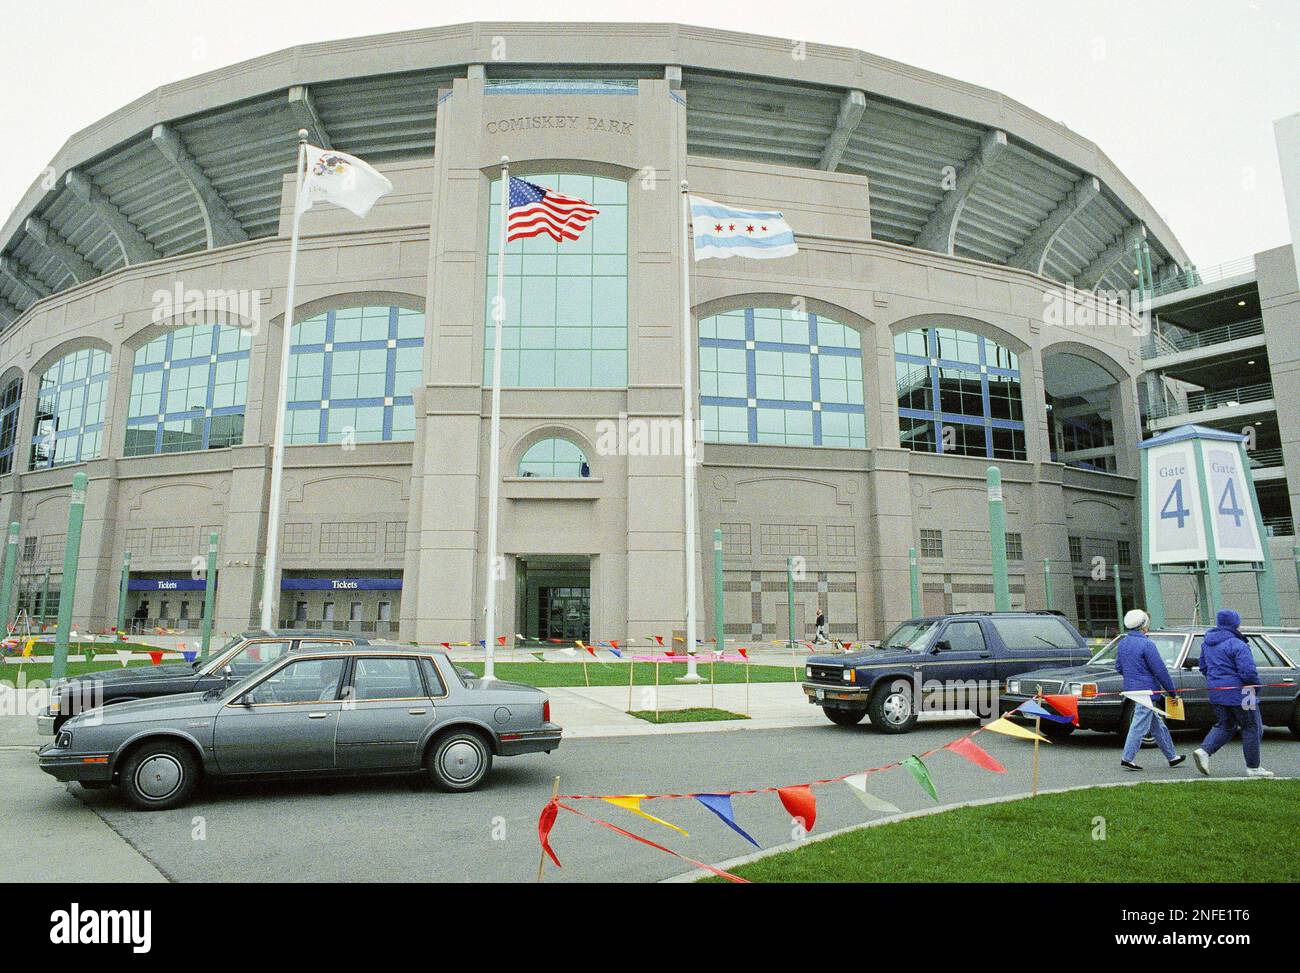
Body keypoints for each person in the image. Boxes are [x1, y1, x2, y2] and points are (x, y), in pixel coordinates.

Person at [1193, 609, 1274, 778]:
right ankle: (1253, 767)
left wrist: (1217, 682)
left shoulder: (1207, 643)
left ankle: (1204, 751)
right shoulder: (1238, 644)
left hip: (1216, 692)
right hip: (1244, 692)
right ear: (1235, 623)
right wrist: (1256, 687)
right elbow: (1248, 673)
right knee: (1252, 727)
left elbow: (1203, 667)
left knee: (1225, 725)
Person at [1115, 608, 1186, 771]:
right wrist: (1172, 692)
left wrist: (1133, 676)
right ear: (1144, 625)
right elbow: (1160, 670)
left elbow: (1119, 666)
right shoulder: (1147, 644)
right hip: (1148, 690)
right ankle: (1127, 757)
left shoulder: (1123, 642)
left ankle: (1172, 756)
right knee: (1139, 724)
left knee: (1157, 725)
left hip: (1132, 689)